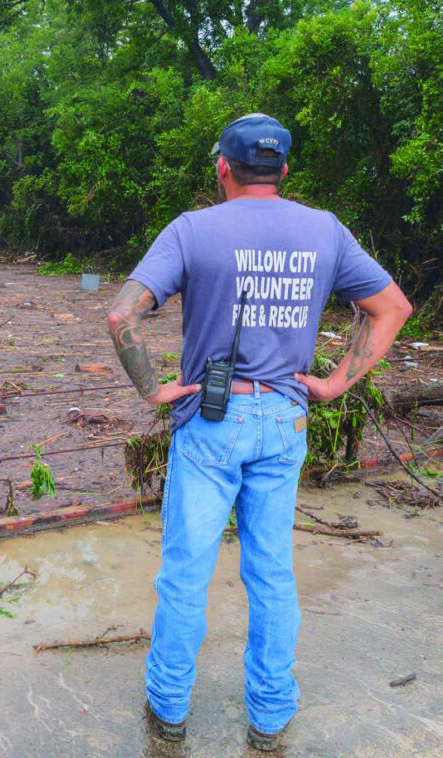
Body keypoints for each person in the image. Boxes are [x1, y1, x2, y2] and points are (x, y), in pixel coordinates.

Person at [106, 113, 412, 751]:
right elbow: (392, 308)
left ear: (223, 166)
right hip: (284, 418)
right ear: (284, 170)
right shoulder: (324, 231)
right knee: (271, 573)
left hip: (211, 422)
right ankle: (269, 720)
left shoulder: (193, 229)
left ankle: (169, 712)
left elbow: (122, 314)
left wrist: (152, 389)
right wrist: (333, 383)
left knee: (187, 571)